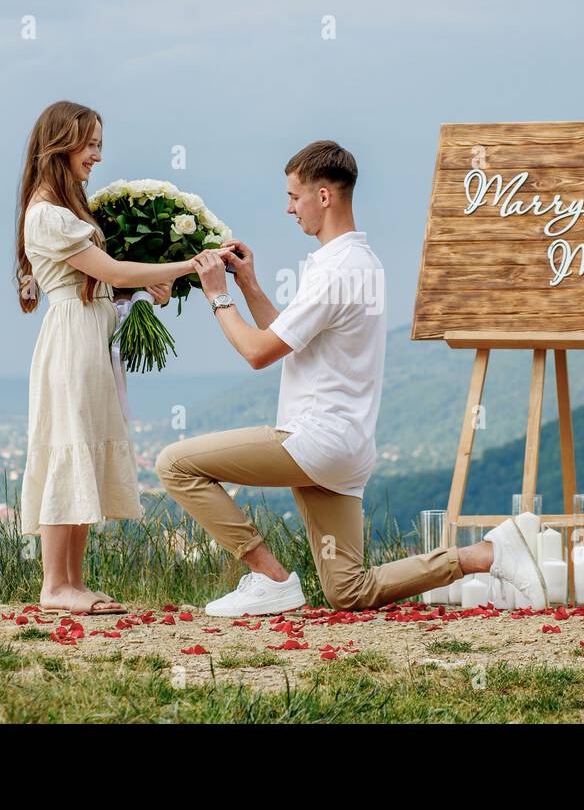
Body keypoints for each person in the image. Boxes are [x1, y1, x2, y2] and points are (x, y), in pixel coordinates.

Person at [156, 140, 544, 615]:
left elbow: (259, 353)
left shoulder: (335, 271)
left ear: (324, 197)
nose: (288, 208)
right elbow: (288, 337)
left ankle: (270, 578)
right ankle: (482, 554)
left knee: (175, 464)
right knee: (349, 590)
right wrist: (249, 285)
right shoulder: (362, 264)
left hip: (312, 440)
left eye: (294, 196)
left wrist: (218, 295)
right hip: (346, 447)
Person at [14, 100, 213, 615]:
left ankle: (72, 583)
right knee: (69, 446)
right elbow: (113, 271)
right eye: (91, 143)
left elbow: (105, 286)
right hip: (72, 342)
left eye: (100, 144)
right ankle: (55, 585)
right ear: (62, 142)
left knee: (83, 447)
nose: (98, 155)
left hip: (90, 335)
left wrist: (142, 294)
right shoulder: (48, 215)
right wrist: (188, 264)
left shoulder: (66, 210)